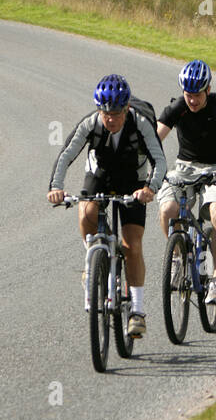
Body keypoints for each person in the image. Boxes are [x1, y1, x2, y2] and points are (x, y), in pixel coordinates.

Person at [48, 74, 166, 339]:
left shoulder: (142, 124)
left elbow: (160, 161)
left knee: (132, 244)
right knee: (86, 210)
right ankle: (93, 261)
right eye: (105, 113)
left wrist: (150, 189)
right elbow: (66, 154)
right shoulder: (91, 123)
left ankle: (137, 311)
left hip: (133, 181)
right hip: (100, 174)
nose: (109, 119)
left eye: (115, 113)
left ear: (126, 109)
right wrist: (55, 188)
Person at [155, 61, 216, 307]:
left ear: (208, 90)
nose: (192, 100)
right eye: (188, 95)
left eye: (197, 95)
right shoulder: (178, 107)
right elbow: (154, 140)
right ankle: (177, 258)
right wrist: (152, 169)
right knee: (167, 210)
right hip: (184, 168)